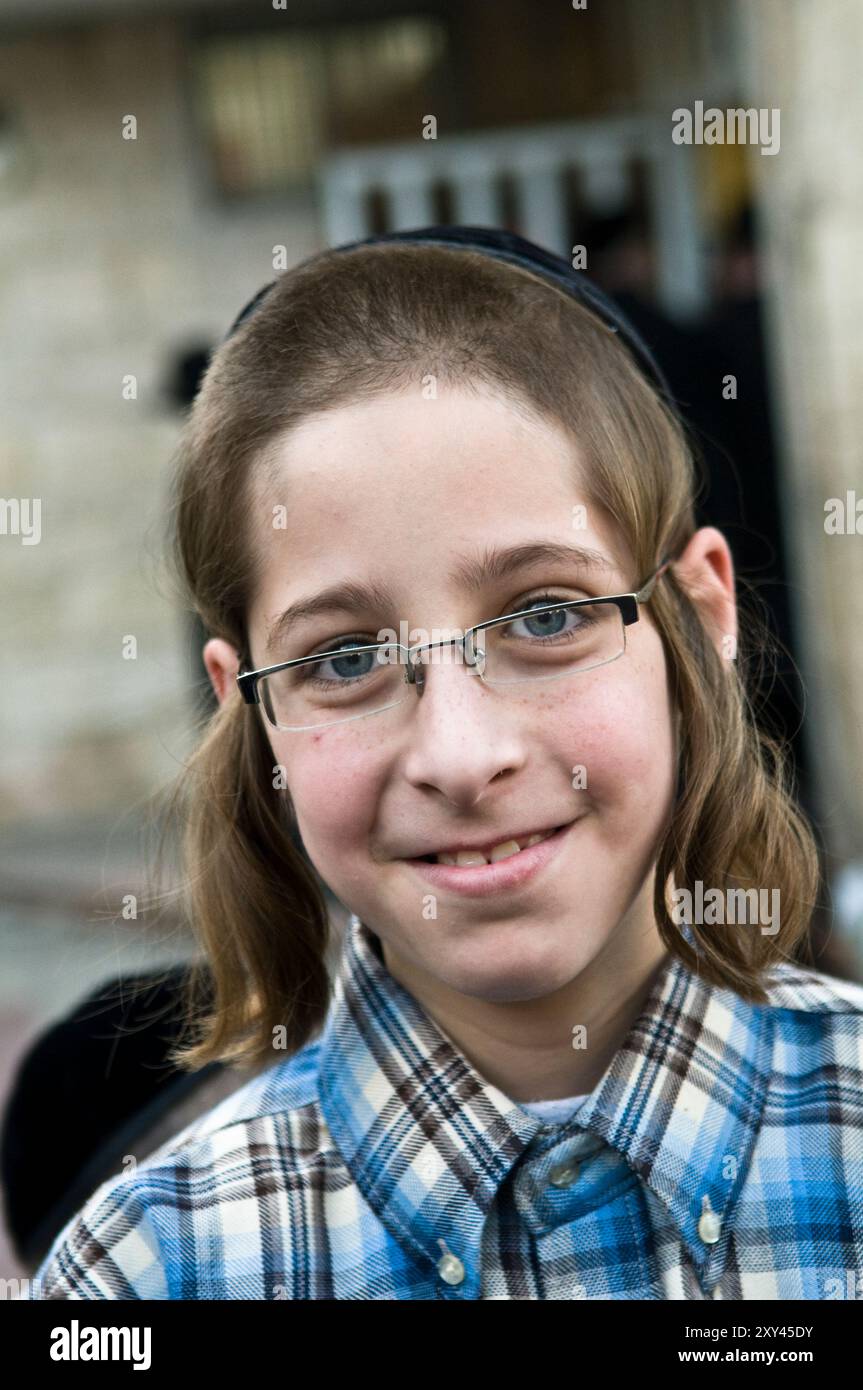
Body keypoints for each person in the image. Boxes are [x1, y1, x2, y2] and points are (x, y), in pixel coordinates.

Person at [25, 225, 863, 1300]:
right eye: (344, 657)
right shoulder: (142, 1273)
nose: (460, 756)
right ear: (246, 704)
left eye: (547, 614)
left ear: (699, 617)